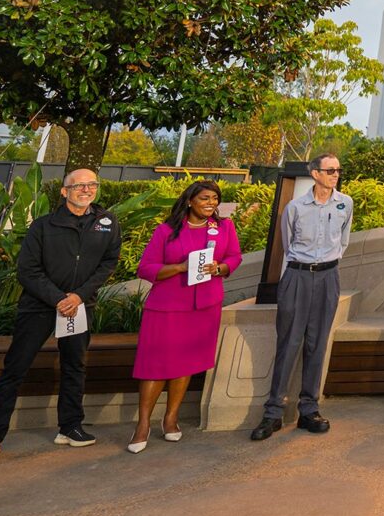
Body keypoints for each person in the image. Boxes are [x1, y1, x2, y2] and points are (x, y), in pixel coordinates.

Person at [0, 169, 123, 464]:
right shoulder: (44, 225)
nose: (86, 189)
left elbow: (108, 263)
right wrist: (58, 298)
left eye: (92, 184)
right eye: (79, 185)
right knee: (15, 370)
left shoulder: (107, 222)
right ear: (64, 192)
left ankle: (70, 426)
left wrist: (77, 296)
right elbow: (27, 270)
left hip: (79, 306)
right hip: (40, 307)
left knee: (74, 367)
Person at [129, 181, 239, 452]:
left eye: (215, 198)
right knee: (154, 365)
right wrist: (180, 266)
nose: (211, 202)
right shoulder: (166, 230)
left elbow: (235, 256)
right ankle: (143, 424)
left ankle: (171, 419)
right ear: (190, 201)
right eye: (205, 198)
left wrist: (220, 267)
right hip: (167, 306)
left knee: (186, 363)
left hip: (204, 306)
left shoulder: (224, 227)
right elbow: (145, 268)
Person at [250, 154, 354, 440]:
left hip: (328, 277)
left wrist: (326, 264)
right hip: (297, 275)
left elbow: (343, 241)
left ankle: (309, 409)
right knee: (289, 342)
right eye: (330, 170)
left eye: (338, 170)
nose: (336, 174)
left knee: (317, 343)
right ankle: (273, 412)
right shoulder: (295, 208)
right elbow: (288, 242)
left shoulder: (346, 203)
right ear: (315, 173)